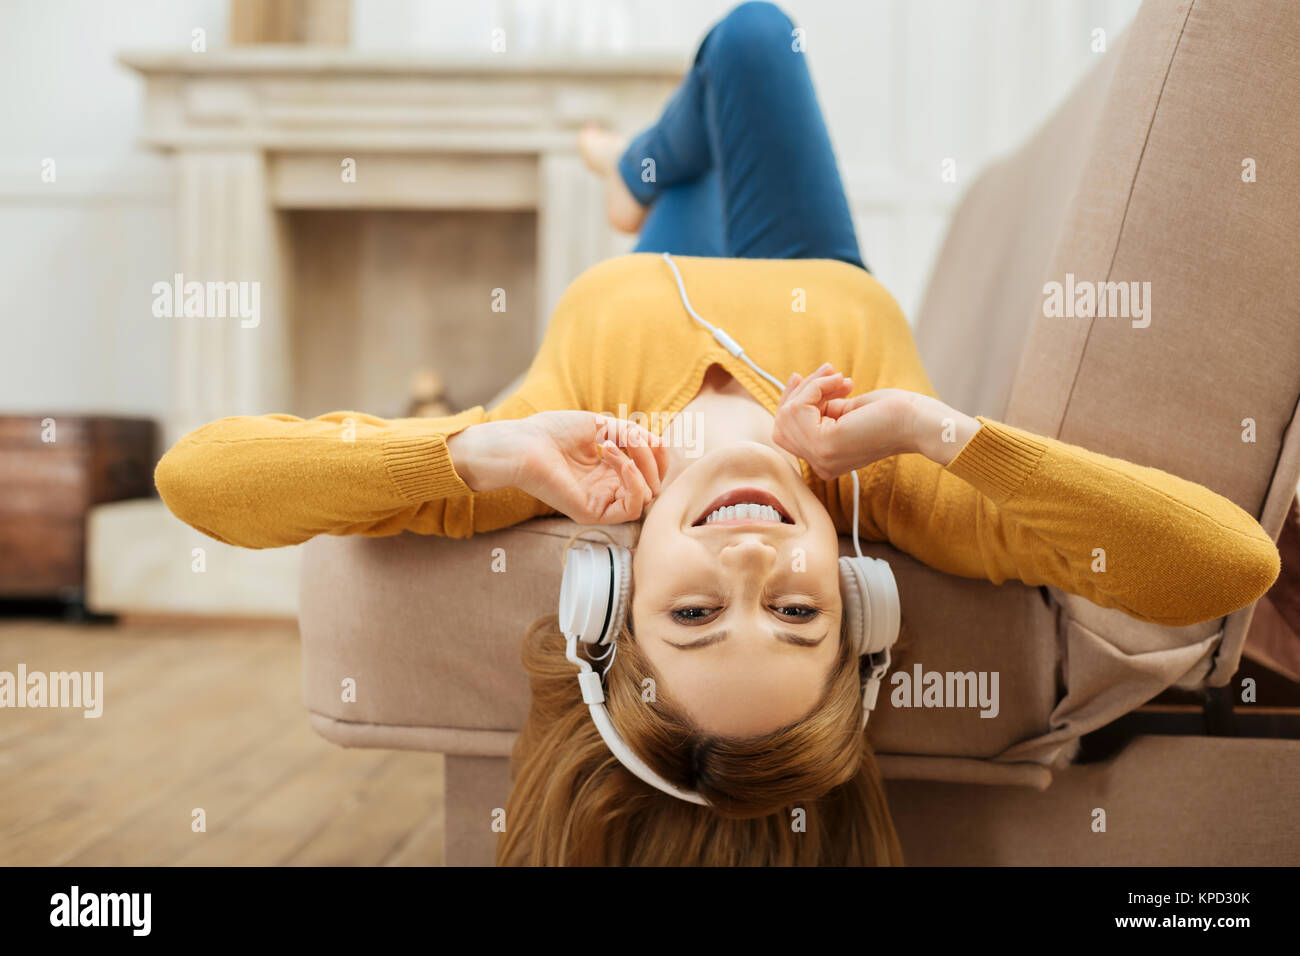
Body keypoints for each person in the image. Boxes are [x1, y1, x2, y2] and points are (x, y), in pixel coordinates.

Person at [154, 2, 1280, 866]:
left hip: (652, 274)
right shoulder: (890, 491)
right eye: (796, 614)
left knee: (720, 86)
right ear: (858, 602)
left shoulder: (548, 464)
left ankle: (637, 174)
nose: (751, 562)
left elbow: (198, 479)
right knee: (752, 38)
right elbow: (1225, 564)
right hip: (806, 263)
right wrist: (932, 430)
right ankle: (637, 168)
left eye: (695, 615)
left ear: (614, 594)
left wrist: (481, 447)